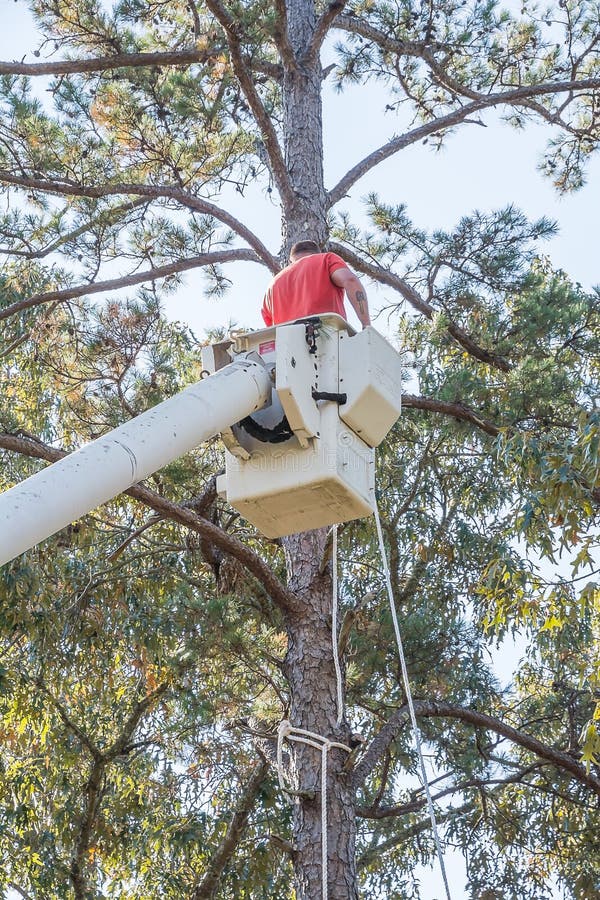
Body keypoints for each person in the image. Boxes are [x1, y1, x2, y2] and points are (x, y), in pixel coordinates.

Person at [261, 240, 371, 329]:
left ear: (291, 260)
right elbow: (350, 280)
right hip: (328, 340)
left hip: (289, 350)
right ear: (317, 253)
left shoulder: (273, 284)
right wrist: (366, 325)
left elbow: (271, 332)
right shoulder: (325, 259)